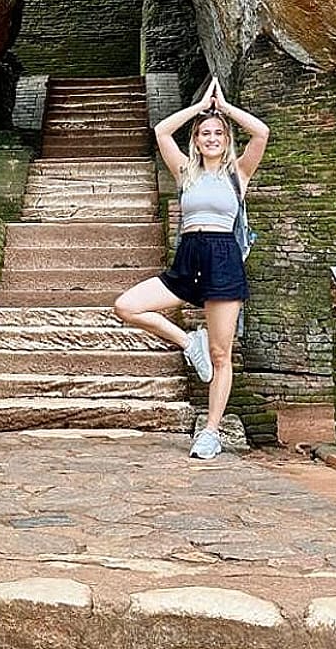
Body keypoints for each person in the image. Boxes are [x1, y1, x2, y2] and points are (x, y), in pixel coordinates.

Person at [114, 77, 269, 460]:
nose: (212, 138)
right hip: (188, 256)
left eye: (218, 133)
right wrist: (200, 108)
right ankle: (188, 343)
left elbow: (261, 132)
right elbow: (161, 131)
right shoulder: (184, 171)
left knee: (220, 354)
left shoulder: (239, 173)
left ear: (227, 140)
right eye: (205, 133)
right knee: (127, 306)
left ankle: (211, 432)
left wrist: (224, 109)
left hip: (223, 258)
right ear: (196, 141)